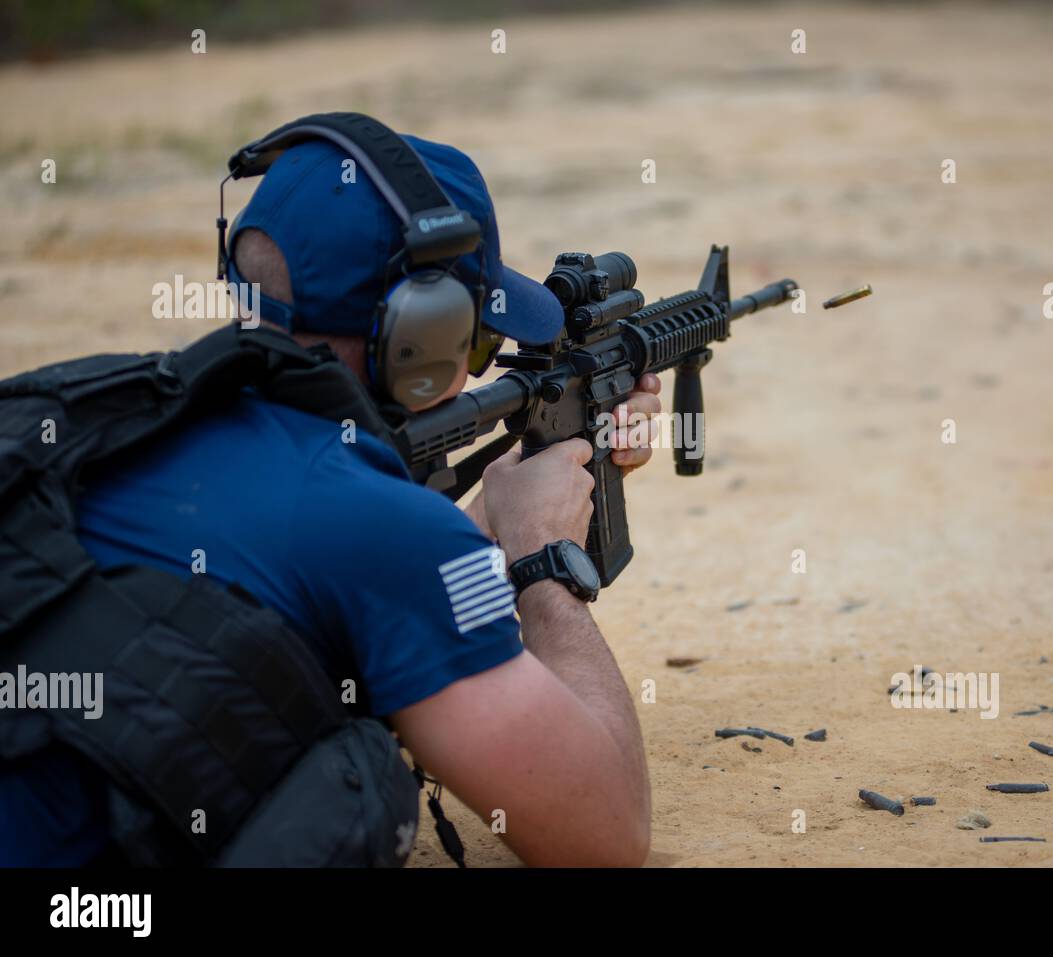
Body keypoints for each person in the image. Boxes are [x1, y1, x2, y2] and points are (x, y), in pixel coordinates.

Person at [0, 118, 661, 867]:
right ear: (420, 334)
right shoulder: (382, 535)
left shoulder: (101, 418)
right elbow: (606, 836)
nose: (478, 370)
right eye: (477, 339)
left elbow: (349, 586)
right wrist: (544, 559)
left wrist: (495, 522)